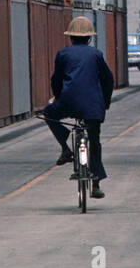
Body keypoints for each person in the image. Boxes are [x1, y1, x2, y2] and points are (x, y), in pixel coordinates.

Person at [41, 16, 114, 199]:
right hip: (92, 107)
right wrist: (105, 102)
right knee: (94, 141)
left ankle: (66, 149)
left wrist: (58, 98)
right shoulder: (96, 55)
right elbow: (108, 80)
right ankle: (96, 183)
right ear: (89, 38)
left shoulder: (63, 54)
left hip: (68, 102)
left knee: (48, 113)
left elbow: (56, 80)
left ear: (70, 37)